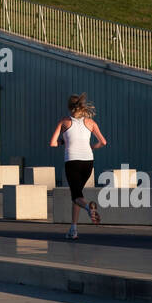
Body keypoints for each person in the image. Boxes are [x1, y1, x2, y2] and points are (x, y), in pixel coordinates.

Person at [50, 93, 107, 240]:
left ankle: (89, 208)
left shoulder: (64, 121)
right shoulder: (90, 123)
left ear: (69, 107)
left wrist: (63, 142)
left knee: (76, 196)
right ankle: (73, 229)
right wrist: (92, 147)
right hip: (88, 162)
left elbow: (53, 143)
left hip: (72, 161)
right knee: (77, 195)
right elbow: (103, 142)